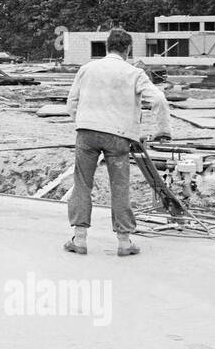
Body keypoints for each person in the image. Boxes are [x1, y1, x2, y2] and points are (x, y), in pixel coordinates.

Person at [63, 28, 172, 256]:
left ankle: (79, 239)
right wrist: (163, 131)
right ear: (128, 49)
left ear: (107, 46)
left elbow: (72, 102)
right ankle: (124, 241)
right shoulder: (134, 73)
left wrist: (81, 121)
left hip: (87, 133)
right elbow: (159, 99)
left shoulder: (87, 69)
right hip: (119, 135)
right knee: (120, 187)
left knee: (82, 184)